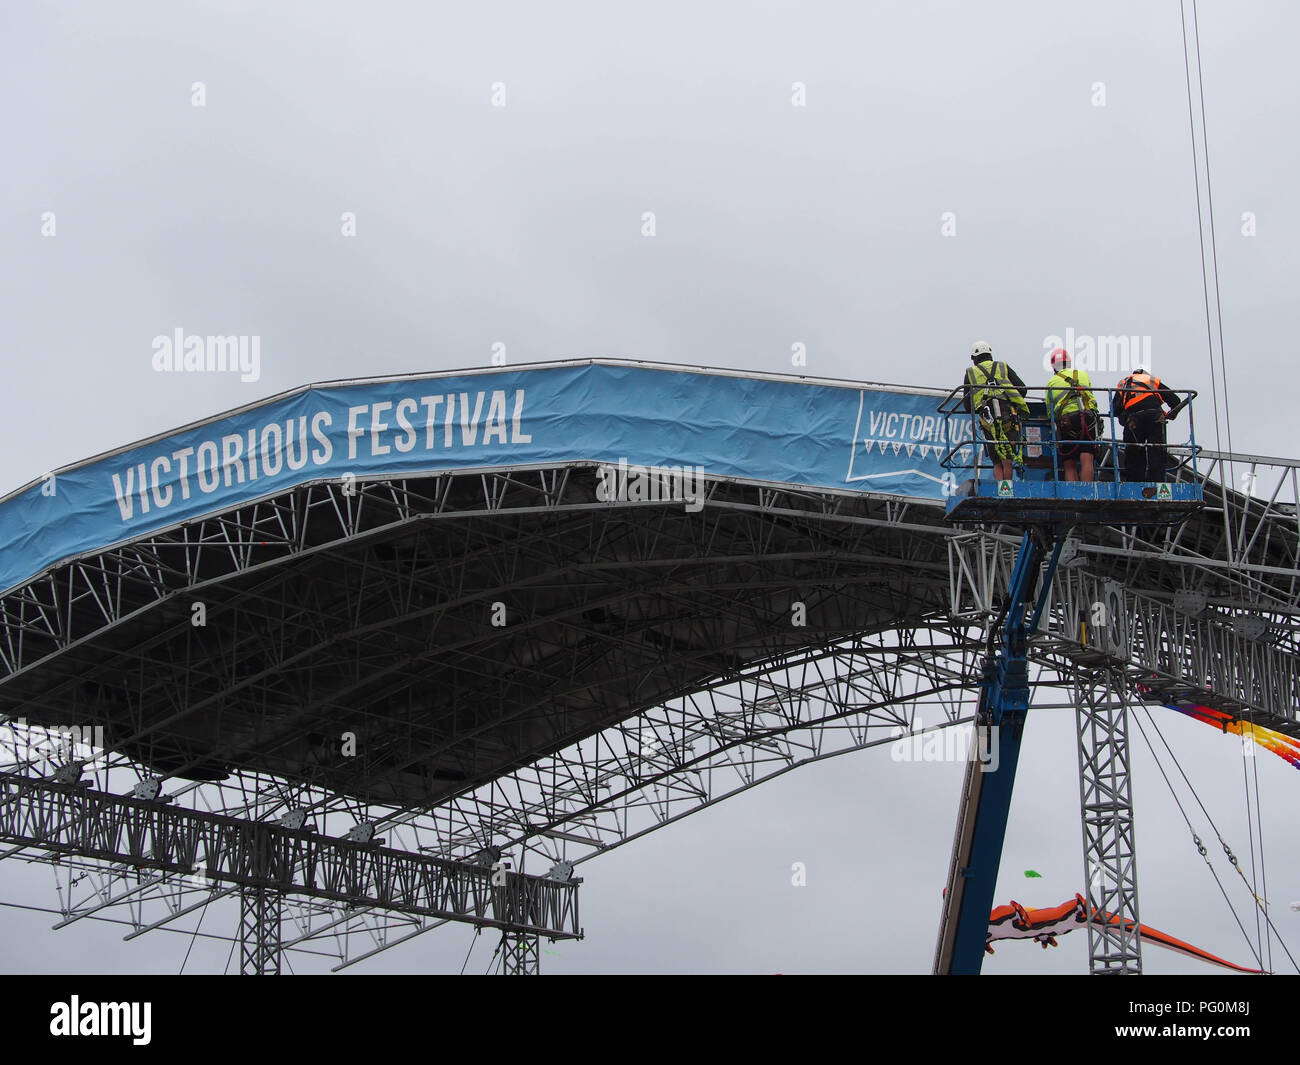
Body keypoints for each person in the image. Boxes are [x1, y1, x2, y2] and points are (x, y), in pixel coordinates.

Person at [961, 341, 1029, 483]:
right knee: (1007, 458)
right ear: (990, 355)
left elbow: (968, 405)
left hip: (988, 418)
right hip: (1007, 414)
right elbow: (1022, 389)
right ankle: (1008, 490)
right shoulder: (1002, 366)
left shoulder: (971, 373)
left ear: (974, 358)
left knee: (997, 459)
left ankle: (1001, 489)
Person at [1114, 367, 1180, 482]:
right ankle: (1156, 483)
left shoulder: (1123, 383)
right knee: (1156, 450)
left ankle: (1135, 483)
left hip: (1133, 420)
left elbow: (1115, 410)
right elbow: (1175, 400)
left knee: (1134, 452)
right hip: (1155, 417)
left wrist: (1124, 419)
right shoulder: (1151, 380)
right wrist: (1172, 414)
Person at [1045, 348, 1099, 482]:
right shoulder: (1083, 375)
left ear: (1054, 366)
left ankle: (1073, 490)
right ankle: (1088, 491)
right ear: (1068, 362)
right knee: (1087, 459)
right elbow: (1091, 396)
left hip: (1067, 420)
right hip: (1088, 417)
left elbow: (1050, 411)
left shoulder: (1052, 382)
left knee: (1069, 463)